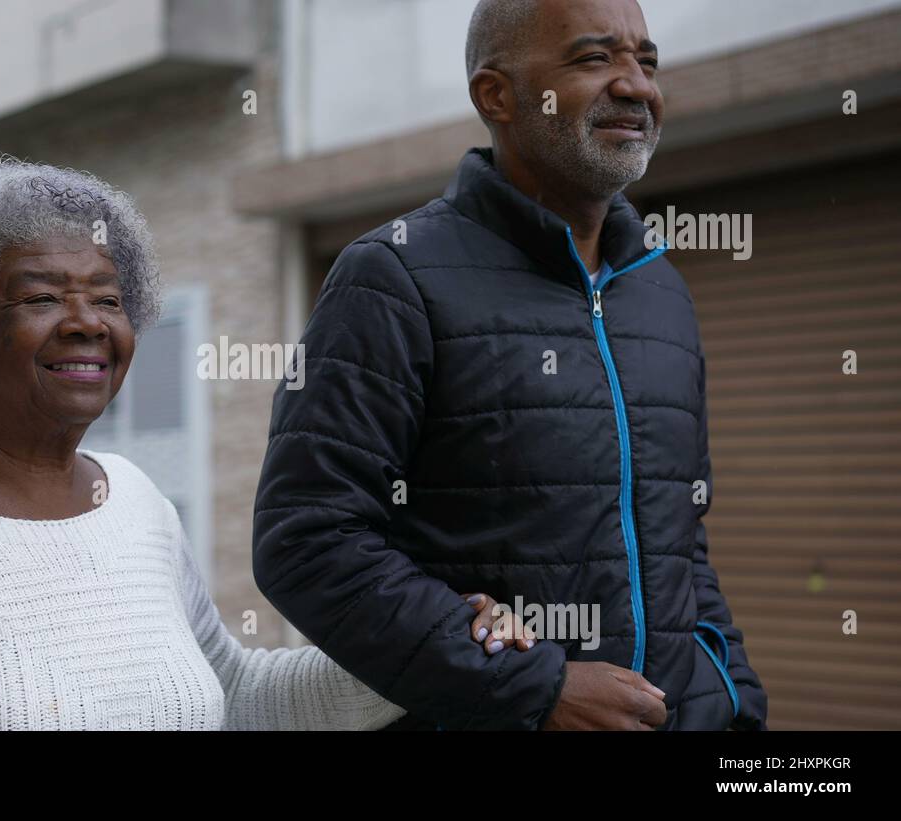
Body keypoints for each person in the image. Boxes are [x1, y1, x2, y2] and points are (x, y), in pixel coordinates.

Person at [0, 160, 425, 730]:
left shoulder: (134, 502)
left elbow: (240, 696)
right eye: (42, 297)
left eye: (107, 300)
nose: (85, 324)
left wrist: (431, 645)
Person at [252, 0, 767, 731]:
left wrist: (732, 699)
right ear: (496, 95)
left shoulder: (660, 290)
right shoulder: (395, 276)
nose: (636, 86)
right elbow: (307, 540)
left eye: (646, 62)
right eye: (595, 59)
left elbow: (681, 538)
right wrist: (533, 685)